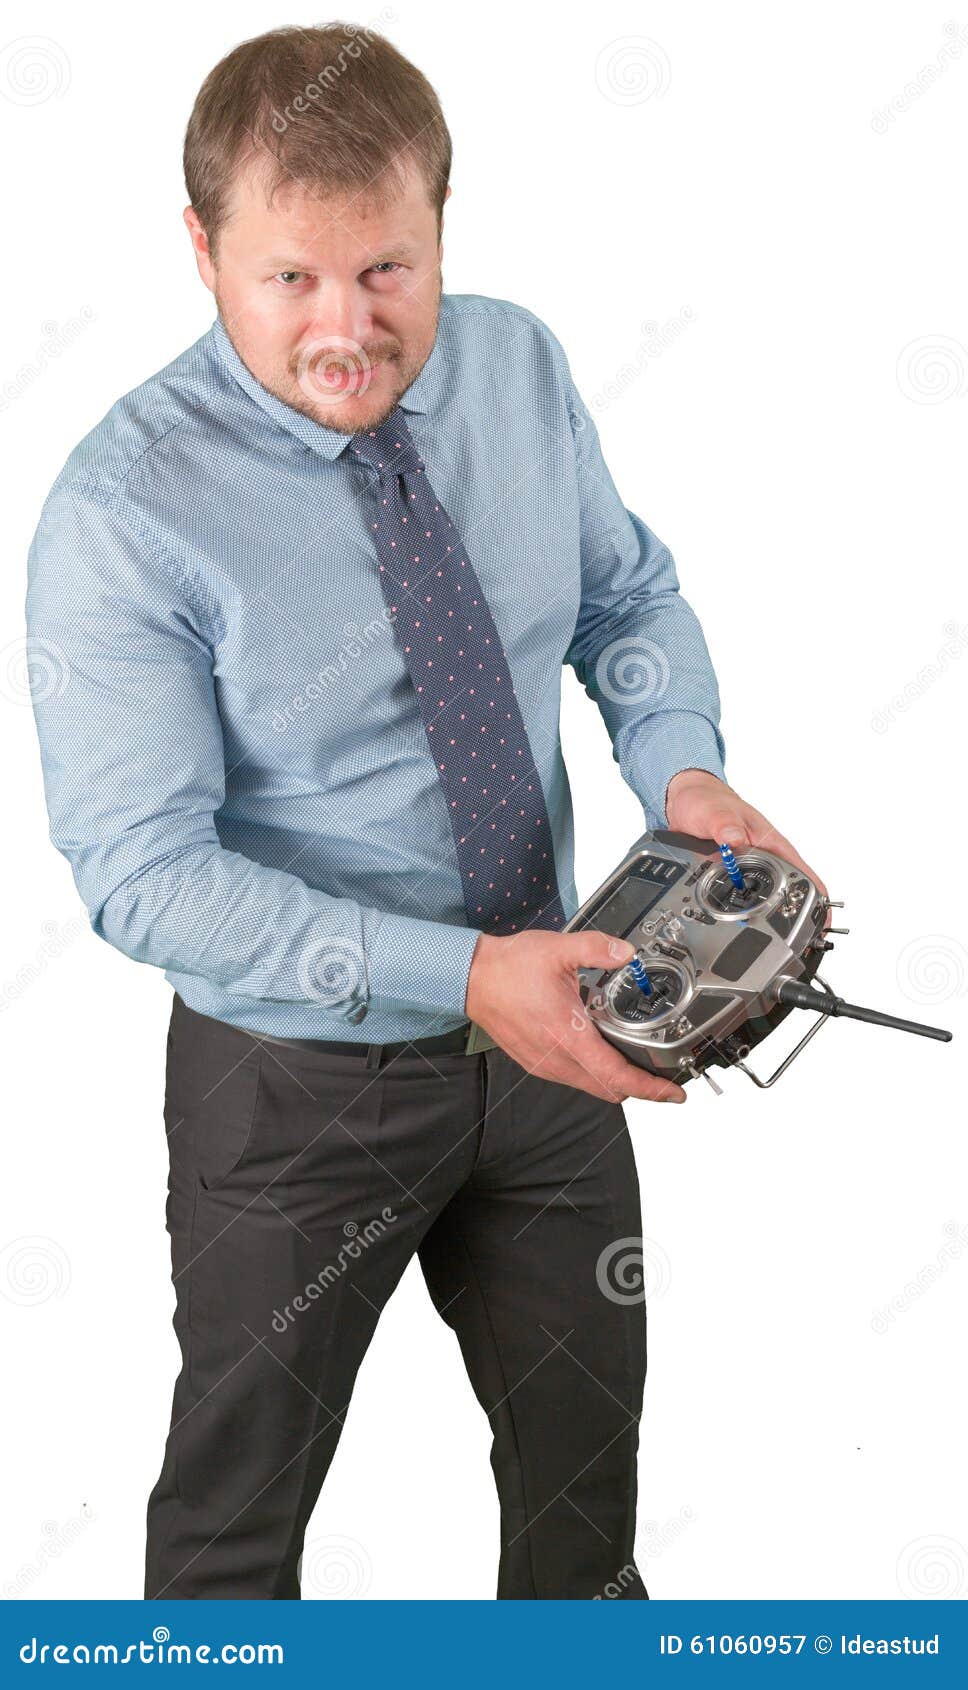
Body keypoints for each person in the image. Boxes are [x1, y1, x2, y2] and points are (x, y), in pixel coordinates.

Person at [24, 22, 827, 1600]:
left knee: (586, 1527)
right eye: (290, 281)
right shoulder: (119, 514)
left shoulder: (517, 364)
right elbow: (143, 878)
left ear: (444, 226)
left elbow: (627, 594)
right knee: (228, 1550)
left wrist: (685, 766)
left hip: (563, 1037)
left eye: (387, 272)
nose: (346, 331)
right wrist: (467, 978)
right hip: (292, 1095)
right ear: (200, 251)